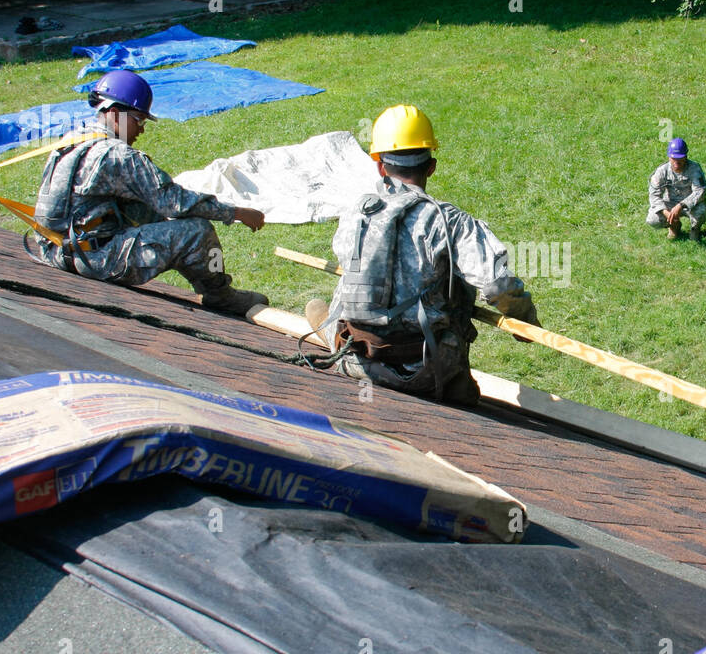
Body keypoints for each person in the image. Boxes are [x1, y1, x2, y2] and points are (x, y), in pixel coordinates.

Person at [305, 104, 539, 404]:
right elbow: (497, 286)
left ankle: (331, 332)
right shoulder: (451, 223)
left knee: (320, 305)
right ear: (431, 167)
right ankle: (452, 380)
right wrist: (526, 323)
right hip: (424, 372)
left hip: (356, 358)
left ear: (380, 166)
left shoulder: (356, 212)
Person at [32, 69, 268, 315]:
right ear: (115, 113)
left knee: (147, 210)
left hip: (56, 251)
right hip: (94, 259)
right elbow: (175, 202)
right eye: (139, 120)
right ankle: (221, 295)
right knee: (198, 231)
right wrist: (237, 212)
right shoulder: (117, 155)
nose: (141, 129)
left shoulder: (73, 141)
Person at [647, 137, 706, 241]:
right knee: (653, 219)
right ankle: (674, 227)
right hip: (670, 203)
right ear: (669, 157)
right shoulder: (662, 171)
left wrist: (681, 205)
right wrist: (666, 212)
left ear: (686, 156)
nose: (676, 162)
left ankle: (695, 230)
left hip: (690, 204)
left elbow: (700, 191)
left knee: (701, 211)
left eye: (680, 159)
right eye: (673, 158)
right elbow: (654, 195)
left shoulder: (694, 168)